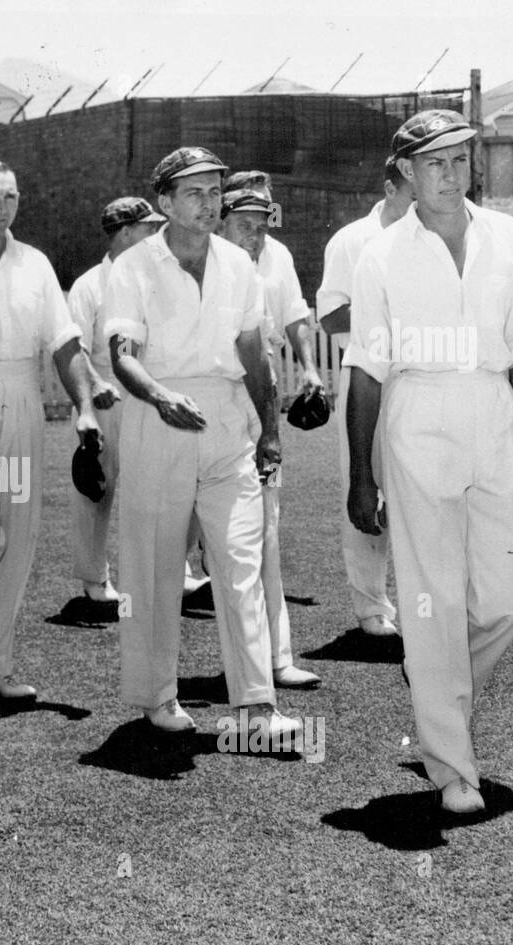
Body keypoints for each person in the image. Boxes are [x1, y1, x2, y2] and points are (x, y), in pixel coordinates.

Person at [345, 110, 513, 815]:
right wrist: (360, 473)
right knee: (434, 600)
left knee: (508, 595)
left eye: (459, 159)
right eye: (433, 162)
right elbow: (366, 372)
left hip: (493, 415)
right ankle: (452, 767)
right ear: (404, 170)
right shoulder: (380, 256)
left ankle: (436, 685)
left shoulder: (503, 237)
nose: (448, 173)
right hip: (418, 419)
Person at [104, 145, 303, 742]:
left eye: (215, 191)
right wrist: (163, 398)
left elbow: (253, 356)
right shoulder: (132, 267)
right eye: (195, 192)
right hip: (156, 417)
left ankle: (257, 709)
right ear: (164, 202)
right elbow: (121, 357)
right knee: (155, 569)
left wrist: (268, 430)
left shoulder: (240, 266)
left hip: (226, 422)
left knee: (241, 564)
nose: (209, 203)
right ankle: (157, 697)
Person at [0, 160, 82, 704]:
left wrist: (87, 407)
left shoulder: (35, 263)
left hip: (23, 398)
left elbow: (64, 340)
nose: (2, 205)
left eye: (11, 196)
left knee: (18, 537)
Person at [219, 184, 322, 689]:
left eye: (262, 223)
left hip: (263, 399)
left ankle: (275, 660)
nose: (256, 234)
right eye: (245, 223)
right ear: (220, 221)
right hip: (210, 400)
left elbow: (295, 314)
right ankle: (158, 685)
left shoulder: (276, 256)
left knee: (265, 533)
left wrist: (310, 370)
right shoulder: (203, 261)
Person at [316, 156, 415, 637]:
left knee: (422, 491)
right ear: (389, 189)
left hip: (425, 379)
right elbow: (331, 315)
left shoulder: (439, 234)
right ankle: (370, 608)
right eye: (411, 194)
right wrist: (390, 319)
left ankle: (425, 605)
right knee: (365, 486)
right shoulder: (352, 240)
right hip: (367, 377)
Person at [63, 197, 166, 604]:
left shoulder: (155, 280)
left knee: (156, 489)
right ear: (126, 233)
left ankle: (168, 574)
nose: (156, 235)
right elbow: (75, 348)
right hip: (104, 400)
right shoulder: (89, 286)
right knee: (97, 490)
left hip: (148, 397)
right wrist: (96, 388)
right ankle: (94, 580)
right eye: (148, 229)